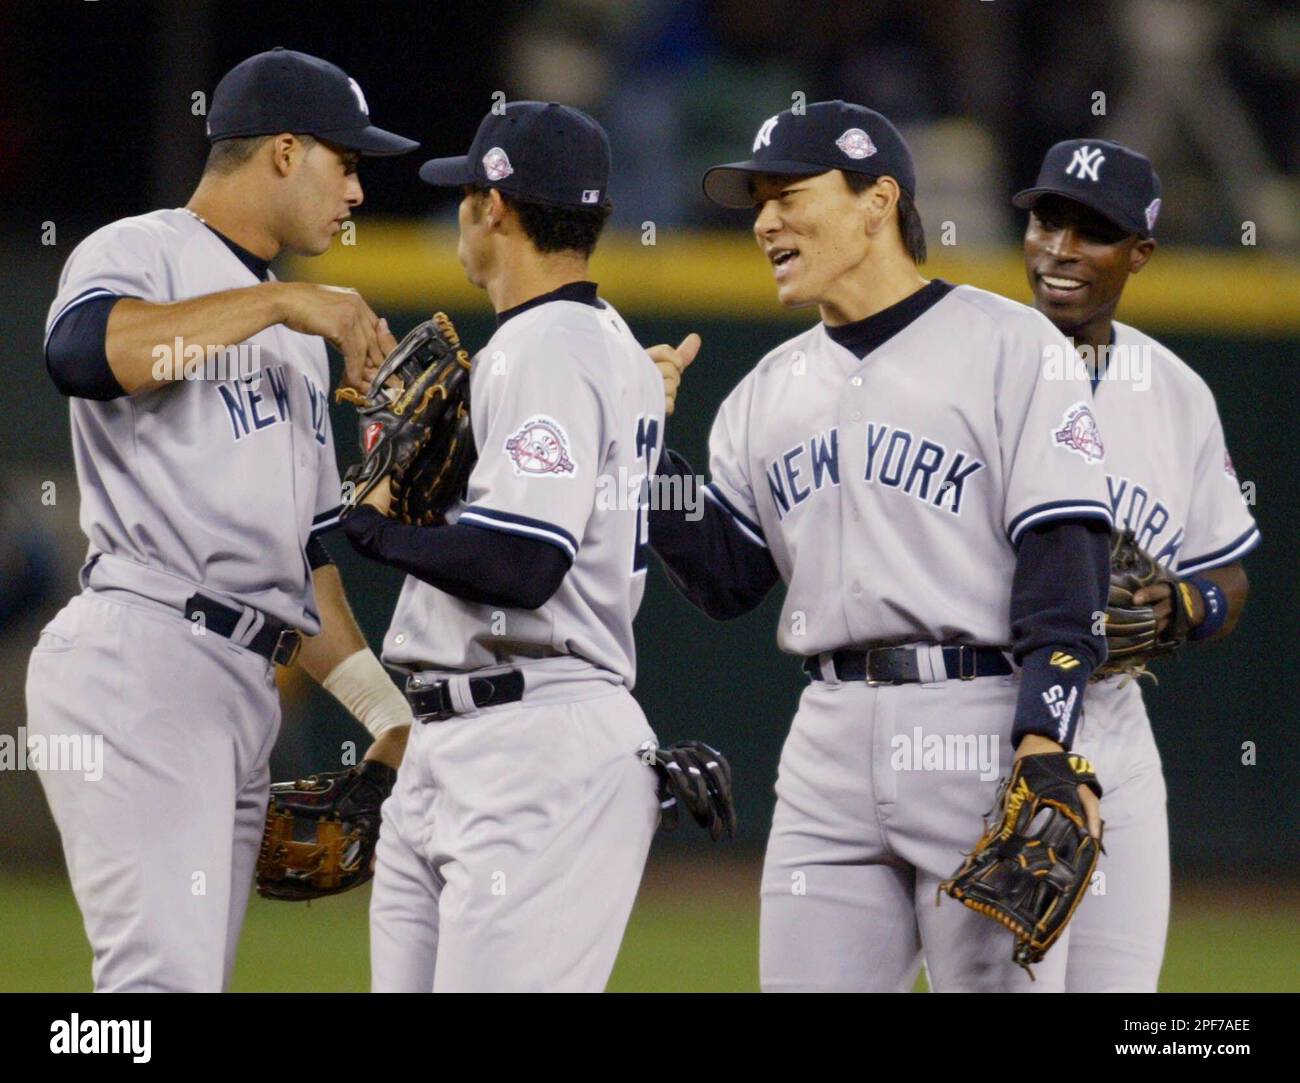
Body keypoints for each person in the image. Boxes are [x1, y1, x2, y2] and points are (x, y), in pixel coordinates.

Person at [648, 100, 1115, 992]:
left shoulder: (1010, 343)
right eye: (757, 202)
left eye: (789, 194)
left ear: (877, 199)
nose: (765, 220)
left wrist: (1043, 738)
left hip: (977, 725)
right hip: (826, 735)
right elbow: (726, 576)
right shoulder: (764, 391)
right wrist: (642, 455)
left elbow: (1066, 557)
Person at [26, 48, 420, 992]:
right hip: (145, 651)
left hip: (242, 679)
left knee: (184, 984)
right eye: (347, 162)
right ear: (284, 151)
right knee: (157, 988)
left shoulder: (296, 340)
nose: (358, 192)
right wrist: (283, 299)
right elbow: (82, 354)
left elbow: (308, 571)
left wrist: (388, 716)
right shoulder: (144, 247)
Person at [342, 102, 668, 992]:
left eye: (466, 195)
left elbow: (524, 565)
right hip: (467, 736)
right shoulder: (603, 347)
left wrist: (373, 528)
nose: (460, 212)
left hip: (535, 741)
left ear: (495, 207)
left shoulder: (543, 345)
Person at [1014, 139, 1259, 991]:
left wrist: (1183, 606)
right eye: (1049, 219)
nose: (1062, 248)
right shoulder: (966, 357)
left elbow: (1230, 575)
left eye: (1096, 230)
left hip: (1117, 726)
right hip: (996, 720)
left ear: (1140, 254)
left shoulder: (1179, 392)